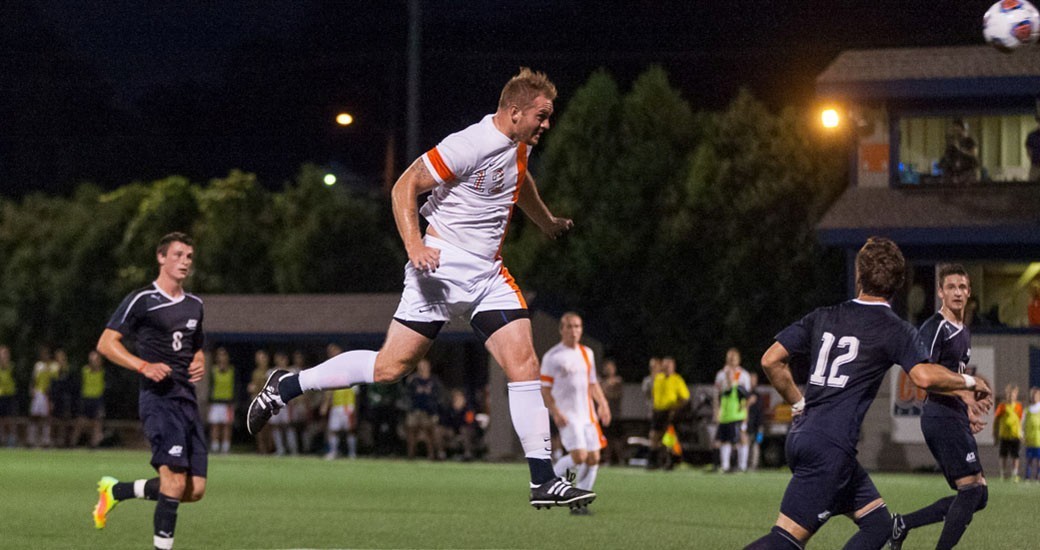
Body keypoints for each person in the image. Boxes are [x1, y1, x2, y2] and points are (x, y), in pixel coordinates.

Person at [246, 67, 593, 510]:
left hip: (489, 276)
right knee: (391, 368)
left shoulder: (517, 146)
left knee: (524, 365)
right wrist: (414, 245)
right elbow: (403, 186)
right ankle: (288, 385)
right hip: (439, 268)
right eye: (541, 116)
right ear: (513, 112)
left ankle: (542, 481)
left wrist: (544, 220)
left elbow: (518, 181)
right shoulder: (469, 144)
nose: (547, 124)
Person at [745, 237, 991, 550]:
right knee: (786, 539)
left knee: (878, 526)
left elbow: (771, 360)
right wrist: (970, 382)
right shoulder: (894, 328)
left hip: (810, 439)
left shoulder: (824, 315)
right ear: (899, 284)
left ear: (859, 276)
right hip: (830, 449)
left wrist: (799, 402)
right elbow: (924, 377)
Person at [92, 232, 207, 550]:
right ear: (161, 257)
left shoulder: (195, 305)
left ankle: (115, 492)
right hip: (159, 401)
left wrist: (199, 360)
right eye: (178, 255)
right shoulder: (141, 299)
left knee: (194, 490)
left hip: (187, 402)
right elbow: (106, 343)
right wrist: (143, 366)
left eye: (189, 257)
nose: (185, 262)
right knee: (173, 481)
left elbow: (197, 347)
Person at [889, 264, 994, 550]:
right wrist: (968, 389)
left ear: (969, 292)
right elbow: (924, 378)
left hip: (953, 414)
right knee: (971, 490)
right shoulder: (935, 328)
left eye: (962, 287)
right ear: (940, 292)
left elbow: (949, 377)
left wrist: (967, 404)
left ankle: (903, 524)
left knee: (977, 496)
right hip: (939, 414)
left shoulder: (963, 330)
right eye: (951, 287)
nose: (957, 292)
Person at [540, 313, 611, 515]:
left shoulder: (587, 353)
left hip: (588, 415)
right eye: (569, 327)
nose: (574, 331)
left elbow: (593, 383)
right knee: (579, 456)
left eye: (577, 327)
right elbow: (545, 389)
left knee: (594, 458)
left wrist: (603, 404)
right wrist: (555, 412)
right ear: (561, 329)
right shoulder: (553, 357)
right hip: (568, 416)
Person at [714, 348, 752, 473]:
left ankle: (742, 465)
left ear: (738, 359)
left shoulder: (744, 375)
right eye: (729, 357)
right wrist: (716, 411)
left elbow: (747, 396)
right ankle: (725, 465)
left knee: (741, 437)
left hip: (738, 413)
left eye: (734, 358)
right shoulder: (721, 374)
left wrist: (746, 411)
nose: (731, 360)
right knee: (724, 439)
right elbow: (717, 395)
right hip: (725, 414)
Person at [649, 356, 689, 470]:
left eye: (669, 365)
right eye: (665, 365)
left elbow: (685, 398)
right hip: (658, 411)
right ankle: (653, 461)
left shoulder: (677, 379)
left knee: (669, 437)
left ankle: (671, 461)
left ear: (673, 366)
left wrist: (675, 407)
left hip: (670, 412)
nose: (666, 367)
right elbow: (653, 394)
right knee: (654, 436)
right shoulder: (658, 378)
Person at [404, 358, 443, 460]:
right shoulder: (413, 380)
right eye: (420, 366)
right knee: (412, 432)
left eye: (424, 366)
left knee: (429, 433)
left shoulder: (434, 381)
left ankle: (431, 455)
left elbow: (439, 395)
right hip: (415, 410)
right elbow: (407, 394)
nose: (422, 368)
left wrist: (435, 408)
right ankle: (411, 455)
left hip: (429, 411)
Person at [70, 350, 106, 449]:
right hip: (86, 399)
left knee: (97, 422)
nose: (93, 361)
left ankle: (94, 444)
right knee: (80, 421)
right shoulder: (84, 370)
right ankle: (73, 443)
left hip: (97, 399)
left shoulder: (102, 372)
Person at [267, 351, 298, 456]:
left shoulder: (293, 371)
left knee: (288, 426)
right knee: (275, 426)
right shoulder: (271, 372)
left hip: (288, 403)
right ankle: (280, 449)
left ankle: (293, 449)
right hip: (276, 403)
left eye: (281, 359)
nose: (279, 361)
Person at [28, 346, 57, 448]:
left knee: (46, 417)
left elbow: (55, 381)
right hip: (38, 393)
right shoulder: (38, 366)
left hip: (47, 395)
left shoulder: (54, 366)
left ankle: (46, 440)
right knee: (34, 416)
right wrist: (32, 389)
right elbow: (33, 379)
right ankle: (31, 439)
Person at [207, 347, 235, 455]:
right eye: (219, 355)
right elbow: (210, 386)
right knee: (215, 425)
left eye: (224, 355)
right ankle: (215, 446)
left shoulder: (232, 370)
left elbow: (235, 386)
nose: (222, 357)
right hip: (215, 401)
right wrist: (209, 402)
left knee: (227, 425)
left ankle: (225, 447)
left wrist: (234, 400)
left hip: (227, 402)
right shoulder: (213, 370)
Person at [994, 384, 1024, 481]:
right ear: (1006, 394)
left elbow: (1020, 420)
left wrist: (1022, 433)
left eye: (1013, 394)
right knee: (1003, 455)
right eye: (1009, 394)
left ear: (1016, 395)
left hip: (1015, 435)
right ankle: (1003, 474)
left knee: (1015, 456)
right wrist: (995, 432)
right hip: (1004, 435)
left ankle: (1014, 474)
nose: (1011, 396)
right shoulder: (1002, 406)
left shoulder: (1019, 406)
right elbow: (996, 420)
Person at [247, 349, 273, 454]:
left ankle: (271, 449)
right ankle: (262, 450)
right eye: (258, 358)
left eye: (262, 357)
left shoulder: (271, 372)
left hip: (270, 403)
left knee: (269, 429)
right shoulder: (256, 373)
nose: (260, 360)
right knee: (259, 429)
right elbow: (253, 387)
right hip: (259, 403)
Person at [599, 358, 625, 466]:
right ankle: (606, 458)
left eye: (610, 367)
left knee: (616, 439)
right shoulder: (601, 381)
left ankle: (619, 459)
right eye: (606, 368)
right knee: (604, 438)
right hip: (603, 415)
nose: (608, 370)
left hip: (615, 414)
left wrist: (605, 390)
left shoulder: (618, 381)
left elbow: (614, 394)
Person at [440, 388, 478, 461]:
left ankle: (468, 454)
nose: (458, 400)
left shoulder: (469, 409)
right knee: (440, 431)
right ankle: (441, 454)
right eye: (456, 399)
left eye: (460, 398)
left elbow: (470, 422)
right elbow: (445, 421)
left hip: (466, 430)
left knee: (464, 430)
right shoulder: (449, 409)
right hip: (453, 430)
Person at [939, 118, 978, 185]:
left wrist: (960, 149)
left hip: (967, 174)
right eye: (954, 128)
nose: (955, 131)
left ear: (962, 128)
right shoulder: (952, 142)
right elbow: (948, 157)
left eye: (957, 128)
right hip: (954, 174)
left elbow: (974, 154)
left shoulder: (970, 141)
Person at [745, 372, 764, 471]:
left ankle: (754, 465)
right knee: (746, 444)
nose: (753, 382)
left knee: (756, 445)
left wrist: (761, 426)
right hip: (747, 424)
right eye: (751, 379)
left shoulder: (758, 396)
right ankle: (745, 464)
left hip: (757, 425)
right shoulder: (745, 394)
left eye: (754, 380)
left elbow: (760, 412)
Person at [0, 345, 18, 447]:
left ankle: (11, 440)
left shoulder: (12, 367)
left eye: (5, 354)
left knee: (9, 419)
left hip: (10, 396)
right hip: (0, 395)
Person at [1024, 387, 1040, 482]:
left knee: (1039, 459)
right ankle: (1028, 476)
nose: (1035, 397)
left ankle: (1038, 475)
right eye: (1033, 395)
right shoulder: (1028, 409)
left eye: (1037, 395)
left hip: (1038, 439)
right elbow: (1024, 422)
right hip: (1030, 439)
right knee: (1029, 459)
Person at [1026, 115, 1040, 181]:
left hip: (1035, 165)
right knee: (1032, 186)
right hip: (1035, 166)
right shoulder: (1032, 135)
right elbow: (1029, 150)